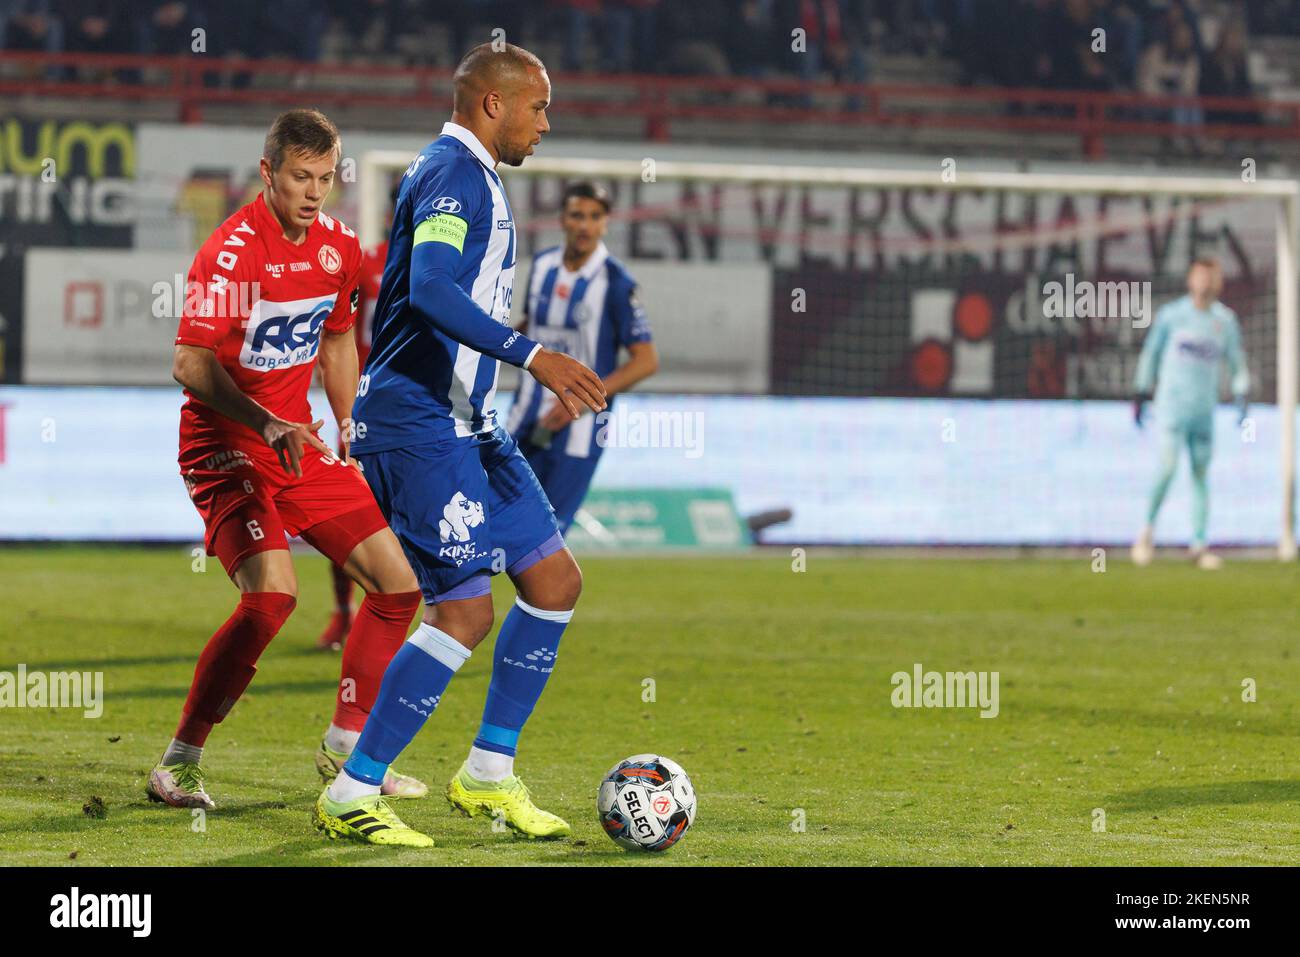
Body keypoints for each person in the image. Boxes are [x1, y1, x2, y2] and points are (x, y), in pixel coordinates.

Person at [312, 42, 607, 847]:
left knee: (552, 580)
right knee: (464, 610)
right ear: (493, 104)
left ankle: (487, 773)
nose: (546, 123)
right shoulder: (450, 172)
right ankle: (354, 787)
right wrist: (534, 355)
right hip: (416, 422)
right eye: (538, 106)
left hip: (468, 426)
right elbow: (431, 289)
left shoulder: (477, 177)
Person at [151, 109, 428, 814]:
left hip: (295, 441)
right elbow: (189, 360)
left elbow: (338, 340)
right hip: (224, 444)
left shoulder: (338, 246)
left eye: (326, 177)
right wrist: (263, 418)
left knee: (397, 588)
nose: (313, 192)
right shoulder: (234, 250)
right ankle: (179, 760)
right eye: (300, 177)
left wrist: (349, 425)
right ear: (269, 173)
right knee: (273, 596)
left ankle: (347, 747)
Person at [506, 181, 658, 534]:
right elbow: (532, 325)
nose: (585, 225)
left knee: (546, 539)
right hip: (523, 416)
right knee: (497, 522)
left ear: (606, 223)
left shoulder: (617, 282)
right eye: (577, 215)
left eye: (595, 216)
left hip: (578, 430)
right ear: (562, 219)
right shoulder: (542, 267)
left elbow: (646, 360)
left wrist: (584, 398)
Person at [315, 181, 400, 651]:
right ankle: (343, 611)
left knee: (407, 518)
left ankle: (403, 615)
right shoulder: (364, 261)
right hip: (362, 404)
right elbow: (338, 333)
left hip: (412, 408)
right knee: (347, 509)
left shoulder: (438, 266)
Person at [1131, 257, 1249, 570]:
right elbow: (1151, 353)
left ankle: (1199, 545)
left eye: (1212, 277)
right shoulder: (1173, 316)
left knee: (1200, 475)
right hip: (1171, 408)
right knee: (1168, 467)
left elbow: (1236, 362)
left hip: (1204, 411)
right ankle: (1145, 533)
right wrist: (1142, 390)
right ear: (1190, 280)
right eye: (1201, 276)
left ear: (1219, 282)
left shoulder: (1225, 321)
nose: (1206, 283)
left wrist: (1241, 393)